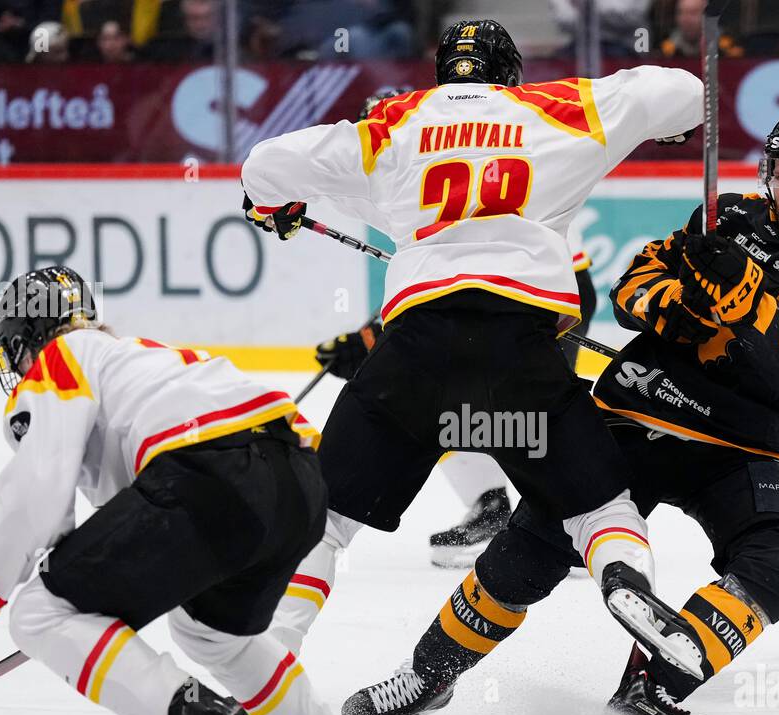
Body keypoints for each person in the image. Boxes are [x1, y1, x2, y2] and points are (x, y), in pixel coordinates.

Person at [343, 111, 779, 715]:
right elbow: (633, 290)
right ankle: (429, 674)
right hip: (635, 416)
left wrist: (739, 293)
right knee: (532, 548)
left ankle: (648, 691)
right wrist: (683, 304)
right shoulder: (725, 217)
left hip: (743, 445)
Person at [242, 20, 704, 675]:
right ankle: (624, 580)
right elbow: (682, 88)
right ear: (512, 73)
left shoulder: (394, 125)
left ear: (440, 74)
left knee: (327, 517)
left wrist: (274, 203)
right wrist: (672, 124)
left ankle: (266, 667)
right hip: (522, 345)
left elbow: (264, 166)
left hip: (415, 349)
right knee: (602, 508)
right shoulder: (559, 108)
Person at [0, 267, 388, 715]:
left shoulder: (62, 358)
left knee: (39, 612)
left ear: (23, 339)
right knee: (212, 632)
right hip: (298, 486)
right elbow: (86, 521)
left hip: (210, 475)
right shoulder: (138, 356)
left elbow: (40, 487)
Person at [309, 85, 602, 570]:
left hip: (538, 293)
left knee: (501, 409)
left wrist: (368, 342)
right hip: (517, 291)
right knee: (467, 404)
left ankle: (561, 516)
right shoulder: (428, 151)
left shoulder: (419, 160)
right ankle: (524, 511)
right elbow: (436, 295)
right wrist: (368, 339)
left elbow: (449, 297)